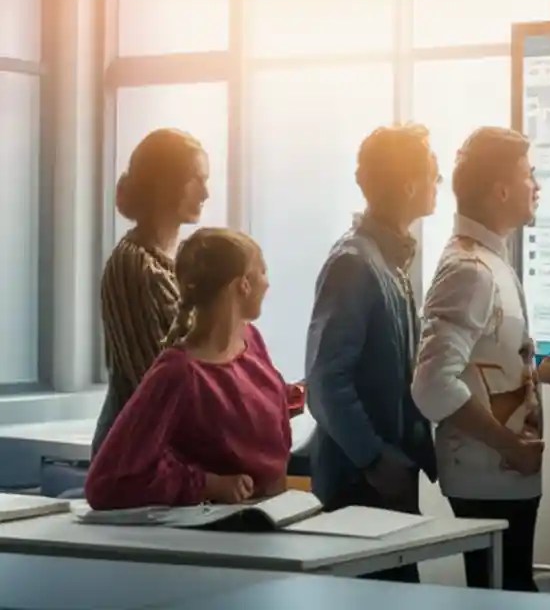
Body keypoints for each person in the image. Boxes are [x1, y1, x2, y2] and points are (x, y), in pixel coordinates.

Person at [412, 126, 545, 592]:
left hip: (507, 476)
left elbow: (498, 359)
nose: (538, 186)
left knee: (514, 590)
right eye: (529, 175)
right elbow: (431, 384)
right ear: (501, 190)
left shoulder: (491, 260)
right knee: (503, 597)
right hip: (492, 477)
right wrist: (509, 447)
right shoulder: (470, 270)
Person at [306, 124, 440, 583]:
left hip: (389, 476)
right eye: (432, 174)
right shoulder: (355, 263)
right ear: (408, 185)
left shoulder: (390, 261)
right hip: (360, 482)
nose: (438, 185)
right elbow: (326, 382)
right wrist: (374, 458)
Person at [85, 229, 291, 510]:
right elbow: (107, 481)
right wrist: (207, 484)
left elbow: (249, 415)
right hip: (218, 531)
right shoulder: (178, 372)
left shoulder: (252, 342)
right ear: (243, 284)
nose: (268, 284)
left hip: (275, 513)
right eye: (262, 272)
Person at [93, 129, 210, 456]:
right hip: (138, 454)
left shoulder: (178, 262)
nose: (206, 193)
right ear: (166, 182)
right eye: (196, 180)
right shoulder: (134, 266)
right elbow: (155, 385)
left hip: (171, 449)